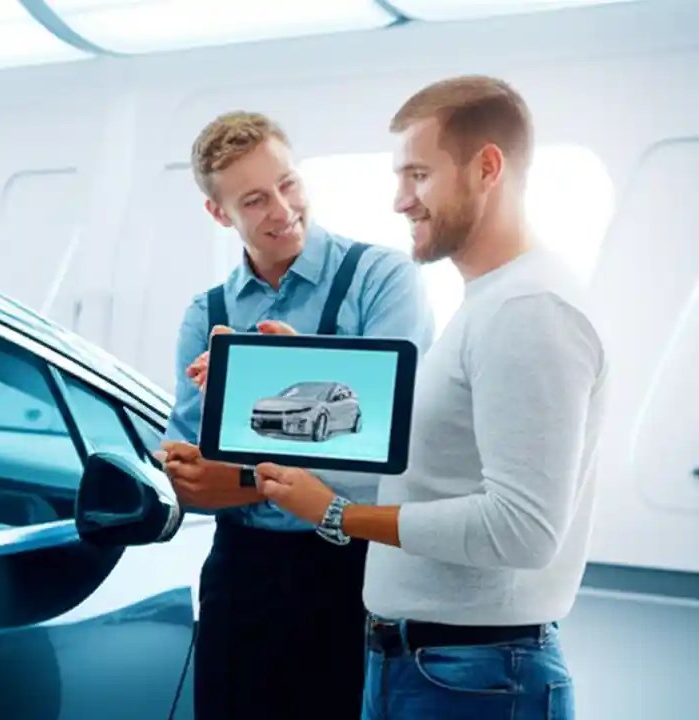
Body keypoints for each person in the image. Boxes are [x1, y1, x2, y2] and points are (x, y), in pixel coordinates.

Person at [235, 76, 605, 719]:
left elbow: (522, 530)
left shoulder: (529, 309)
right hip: (434, 666)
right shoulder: (488, 301)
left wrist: (338, 517)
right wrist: (289, 372)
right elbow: (422, 463)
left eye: (418, 175)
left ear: (486, 167)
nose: (401, 201)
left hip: (478, 675)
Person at [162, 110, 435, 719]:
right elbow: (186, 478)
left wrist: (237, 469)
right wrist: (275, 474)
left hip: (351, 567)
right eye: (255, 200)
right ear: (219, 213)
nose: (282, 210)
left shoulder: (382, 279)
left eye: (288, 184)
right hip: (242, 575)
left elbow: (387, 457)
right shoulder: (204, 313)